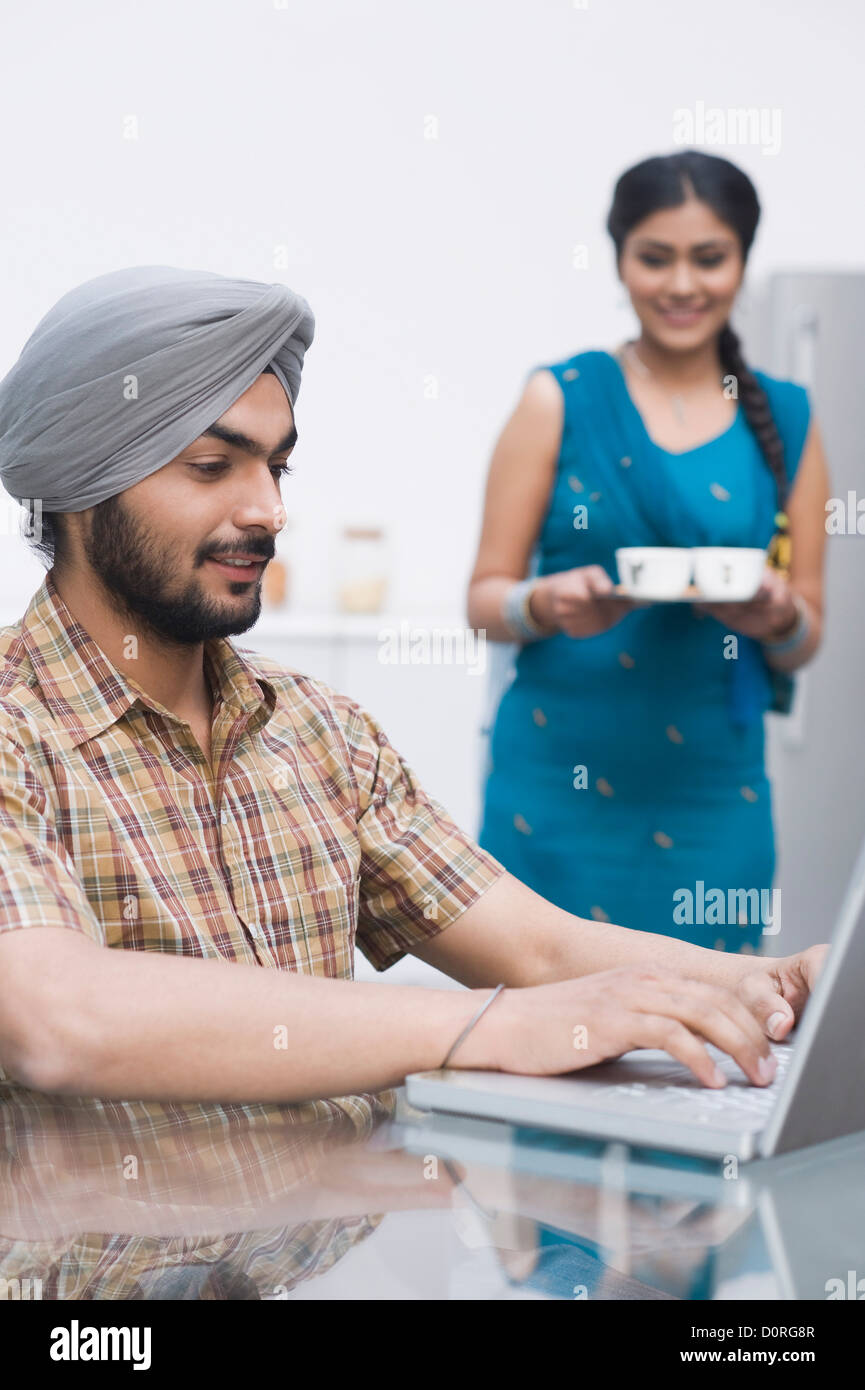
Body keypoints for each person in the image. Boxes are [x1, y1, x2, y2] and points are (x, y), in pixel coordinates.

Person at [0, 266, 825, 1141]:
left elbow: (537, 949)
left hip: (323, 1258)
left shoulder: (322, 734)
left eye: (277, 466)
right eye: (213, 466)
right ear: (84, 483)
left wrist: (771, 986)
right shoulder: (17, 734)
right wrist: (487, 1027)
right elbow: (57, 1017)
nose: (269, 510)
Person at [469, 151, 830, 950]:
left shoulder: (788, 416)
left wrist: (771, 615)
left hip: (712, 796)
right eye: (654, 257)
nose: (680, 285)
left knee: (711, 1043)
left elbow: (807, 639)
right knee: (537, 1049)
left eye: (709, 258)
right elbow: (484, 601)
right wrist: (545, 602)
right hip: (555, 789)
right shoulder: (557, 397)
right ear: (620, 259)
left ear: (741, 260)